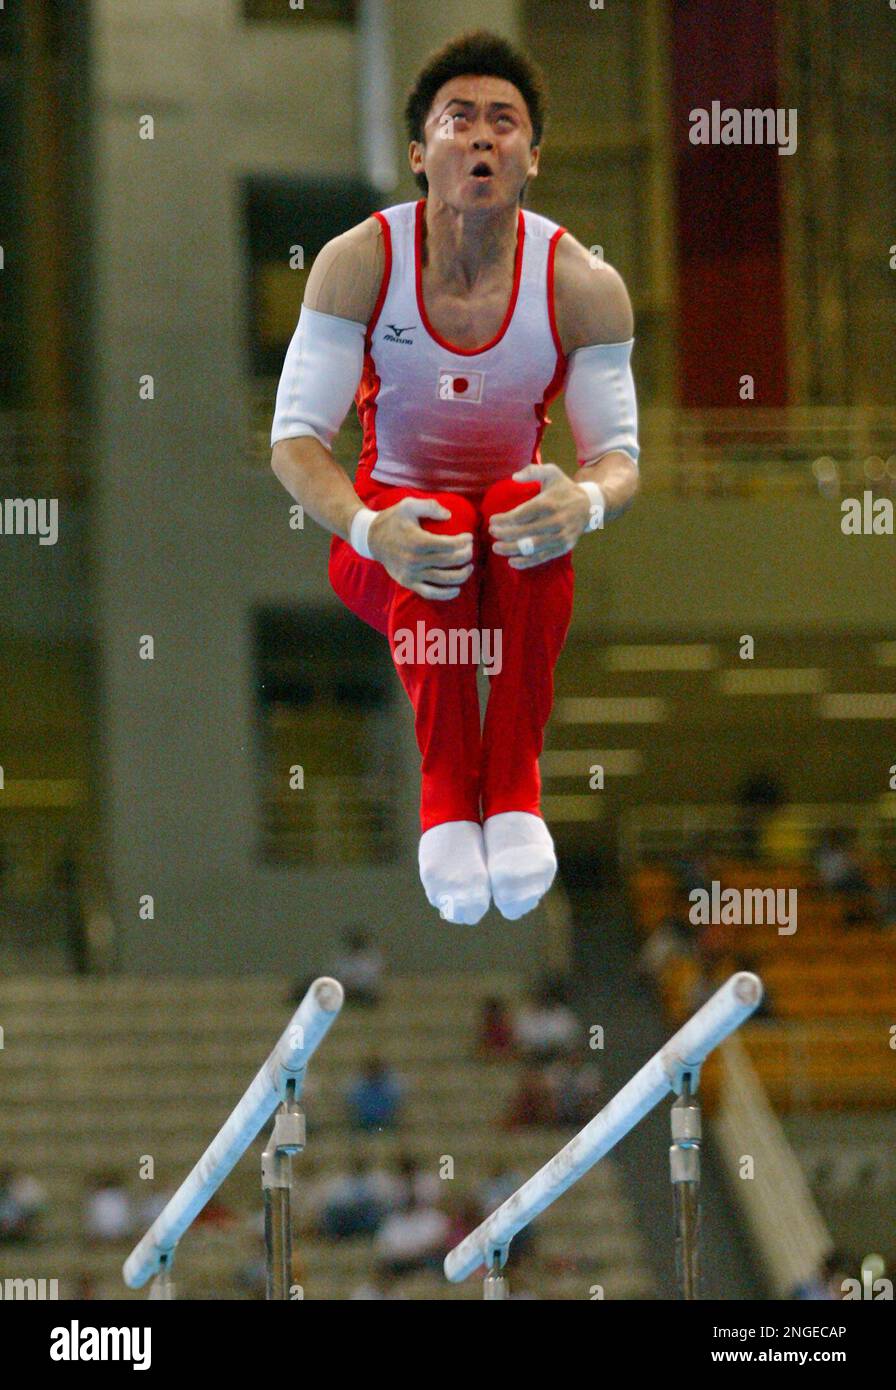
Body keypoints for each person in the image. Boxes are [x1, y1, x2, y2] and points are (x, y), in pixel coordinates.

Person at [270, 30, 640, 926]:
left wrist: (583, 503)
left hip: (516, 558)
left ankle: (512, 786)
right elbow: (292, 441)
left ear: (534, 156)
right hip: (392, 552)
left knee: (523, 498)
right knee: (434, 522)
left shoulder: (583, 283)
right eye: (459, 119)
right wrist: (368, 528)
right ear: (417, 153)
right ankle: (448, 794)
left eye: (505, 123)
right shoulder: (359, 263)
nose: (482, 138)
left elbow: (619, 458)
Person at [346, 1055, 404, 1131]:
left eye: (376, 1070)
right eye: (371, 1070)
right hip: (364, 1124)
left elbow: (395, 1107)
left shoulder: (390, 1088)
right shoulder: (359, 1088)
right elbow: (354, 1107)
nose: (373, 1072)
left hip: (385, 1123)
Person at [332, 929, 385, 1005]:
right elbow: (338, 975)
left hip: (364, 991)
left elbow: (371, 978)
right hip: (346, 990)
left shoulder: (371, 958)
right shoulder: (343, 959)